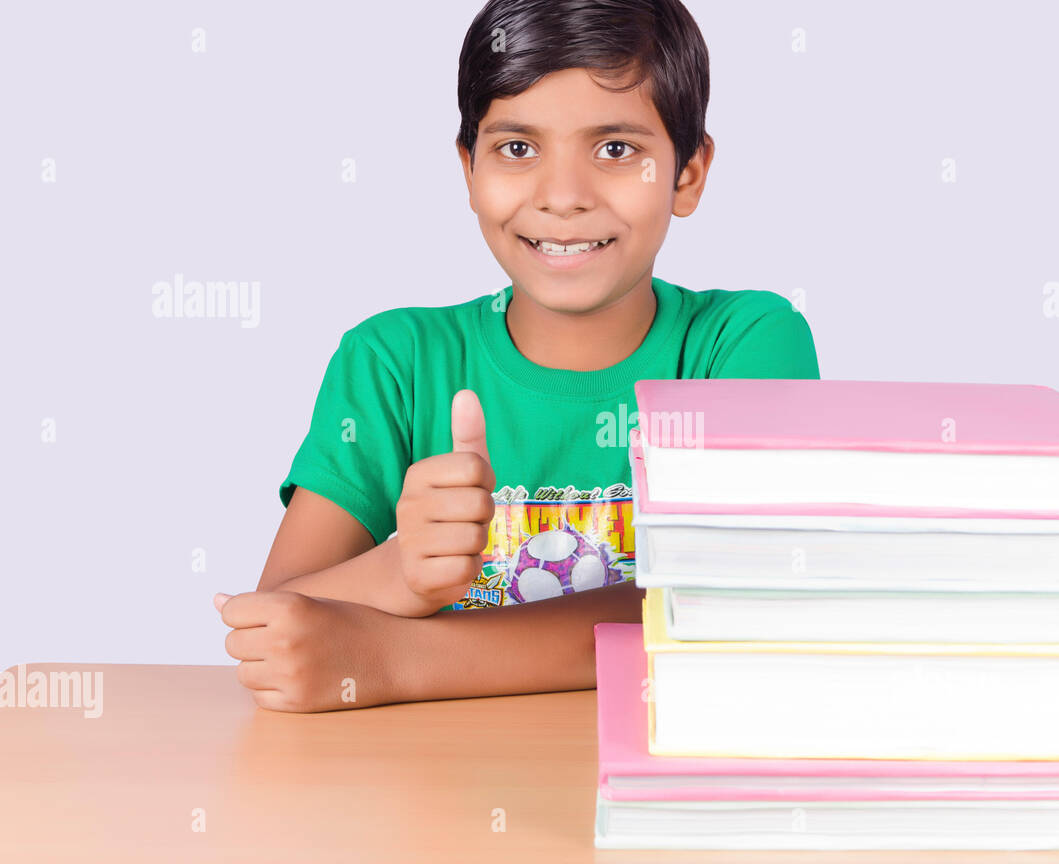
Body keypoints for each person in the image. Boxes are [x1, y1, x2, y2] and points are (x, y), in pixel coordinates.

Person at [214, 0, 820, 712]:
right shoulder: (392, 360)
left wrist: (398, 658)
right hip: (426, 800)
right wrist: (398, 575)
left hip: (663, 781)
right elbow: (274, 624)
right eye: (518, 149)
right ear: (469, 169)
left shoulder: (742, 343)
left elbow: (729, 601)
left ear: (687, 173)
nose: (563, 198)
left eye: (617, 149)